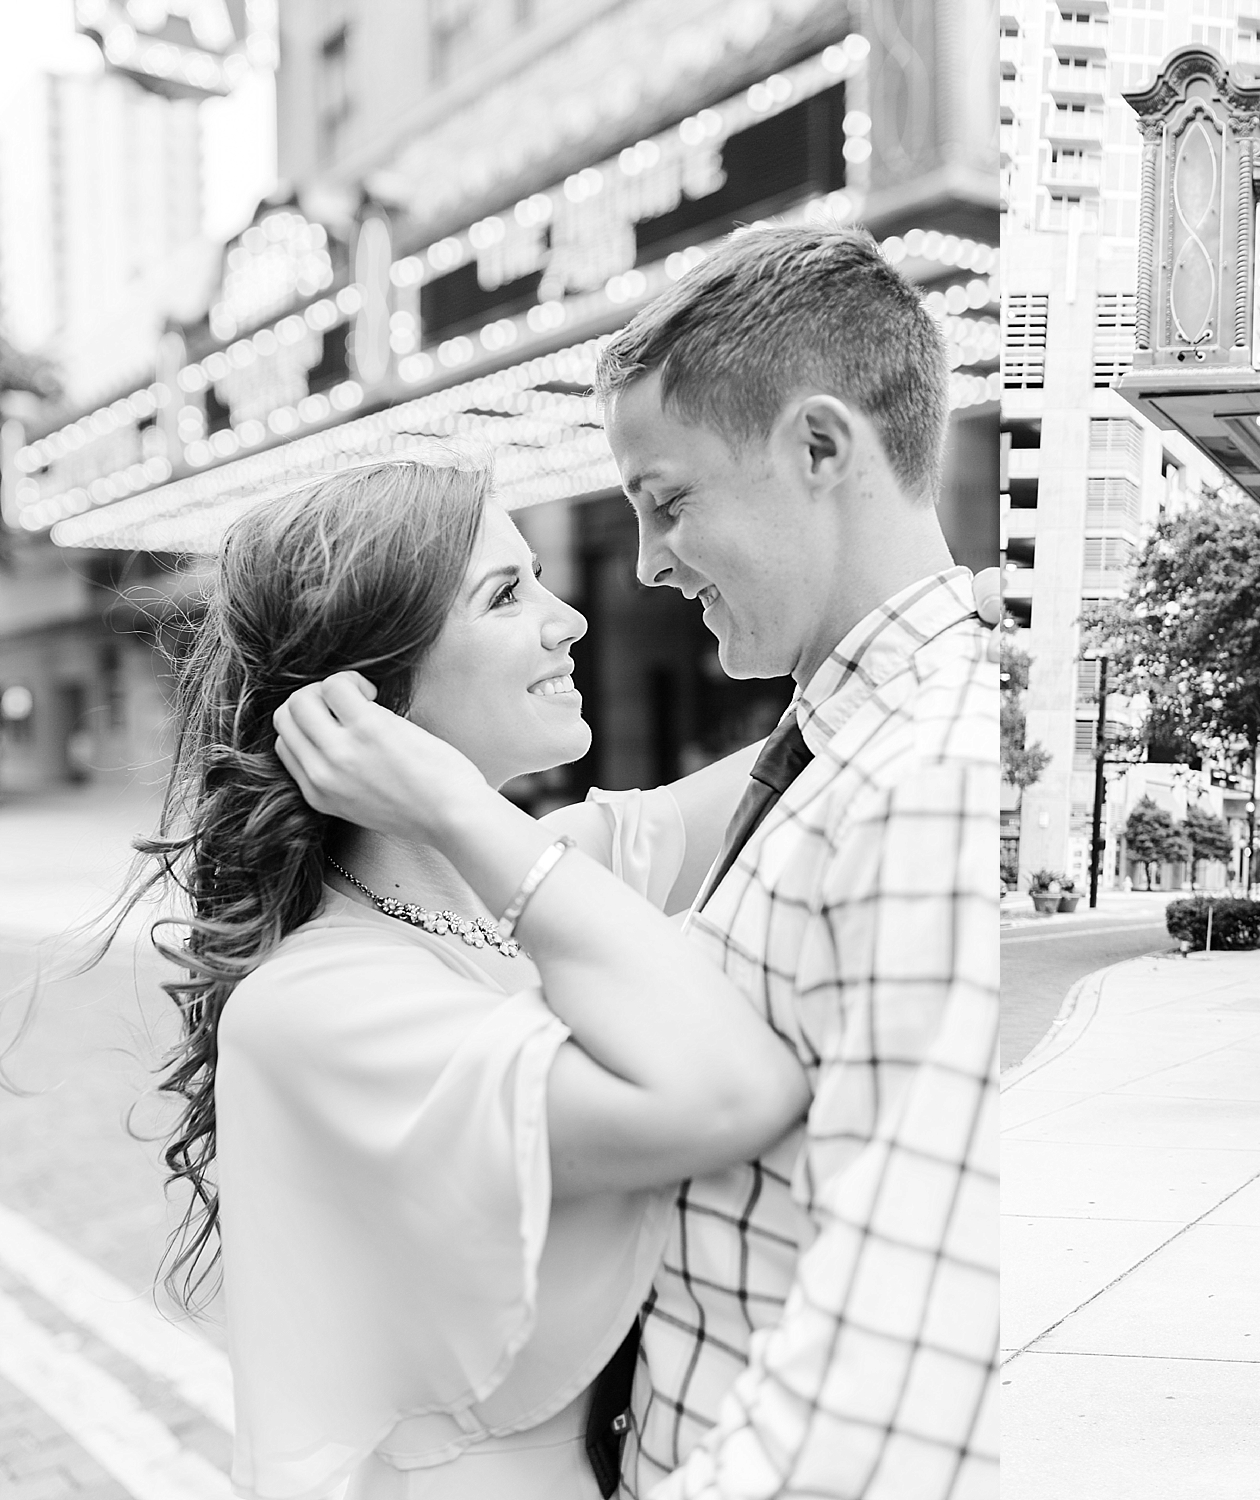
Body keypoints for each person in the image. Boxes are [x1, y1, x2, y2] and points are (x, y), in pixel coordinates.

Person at [300, 225, 1002, 1498]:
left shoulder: (912, 778)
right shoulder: (840, 744)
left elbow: (884, 1382)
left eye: (666, 501)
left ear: (821, 448)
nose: (637, 569)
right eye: (505, 595)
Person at [130, 458, 810, 1499]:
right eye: (505, 595)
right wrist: (450, 805)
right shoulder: (316, 1008)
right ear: (366, 701)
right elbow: (730, 1094)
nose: (569, 617)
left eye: (538, 577)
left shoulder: (515, 884)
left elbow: (791, 764)